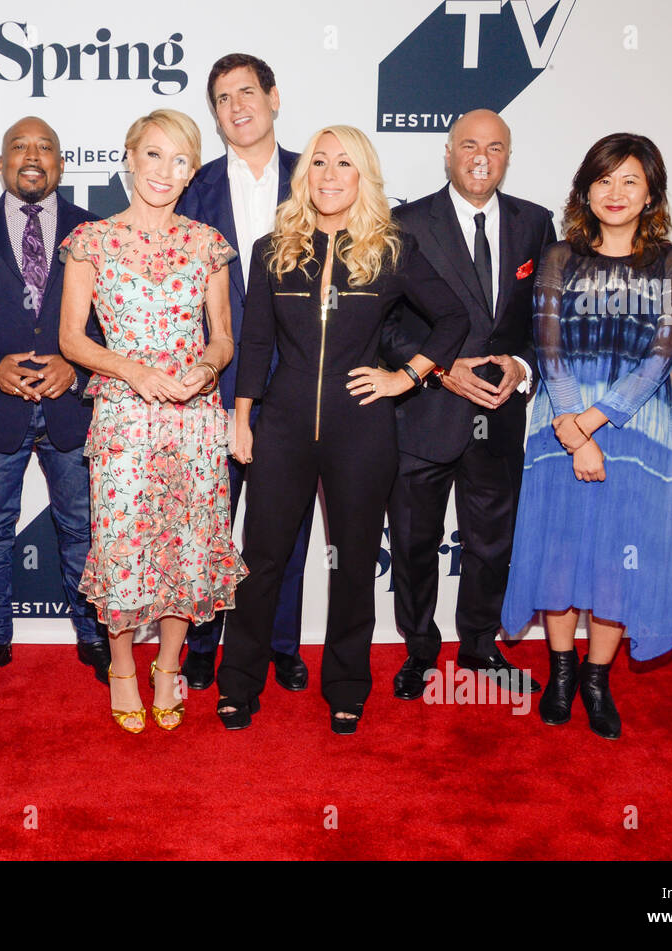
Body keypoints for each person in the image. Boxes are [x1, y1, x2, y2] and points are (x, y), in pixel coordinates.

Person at [217, 126, 470, 734]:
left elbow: (453, 318)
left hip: (362, 428)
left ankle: (348, 685)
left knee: (354, 562)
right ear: (305, 174)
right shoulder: (271, 246)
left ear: (364, 175)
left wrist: (404, 378)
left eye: (344, 164)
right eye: (320, 162)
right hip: (280, 424)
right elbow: (254, 342)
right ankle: (239, 683)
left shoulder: (392, 248)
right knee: (261, 559)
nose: (330, 174)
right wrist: (243, 417)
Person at [58, 109, 247, 733]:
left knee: (187, 550)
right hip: (123, 420)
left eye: (180, 160)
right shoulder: (90, 240)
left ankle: (168, 666)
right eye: (154, 156)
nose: (165, 171)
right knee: (123, 547)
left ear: (192, 170)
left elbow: (223, 338)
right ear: (130, 157)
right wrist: (132, 370)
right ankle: (120, 668)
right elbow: (72, 339)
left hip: (193, 421)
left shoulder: (208, 243)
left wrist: (208, 368)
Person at [501, 133, 672, 739]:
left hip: (636, 431)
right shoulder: (559, 258)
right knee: (560, 552)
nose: (616, 193)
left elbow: (662, 356)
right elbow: (548, 348)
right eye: (605, 180)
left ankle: (595, 678)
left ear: (651, 193)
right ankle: (561, 672)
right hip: (558, 424)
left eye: (630, 181)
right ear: (586, 189)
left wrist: (592, 423)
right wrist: (571, 426)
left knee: (617, 559)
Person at [383, 109, 556, 701]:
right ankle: (419, 649)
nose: (482, 157)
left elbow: (545, 318)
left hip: (500, 413)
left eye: (497, 147)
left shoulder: (536, 223)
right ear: (449, 153)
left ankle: (480, 646)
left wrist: (523, 364)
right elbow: (381, 326)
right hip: (425, 412)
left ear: (508, 156)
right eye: (470, 146)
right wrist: (436, 368)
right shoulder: (402, 223)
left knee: (491, 541)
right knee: (412, 541)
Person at [0, 117, 110, 690]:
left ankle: (95, 638)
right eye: (19, 146)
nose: (32, 156)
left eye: (45, 147)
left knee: (85, 529)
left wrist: (79, 363)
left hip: (75, 408)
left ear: (62, 165)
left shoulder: (97, 232)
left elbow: (116, 328)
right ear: (1, 164)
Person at [174, 53, 311, 693]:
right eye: (223, 97)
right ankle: (204, 641)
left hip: (298, 385)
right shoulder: (193, 188)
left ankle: (281, 642)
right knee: (208, 521)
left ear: (274, 97)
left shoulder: (319, 177)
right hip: (213, 387)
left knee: (284, 526)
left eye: (247, 92)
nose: (237, 106)